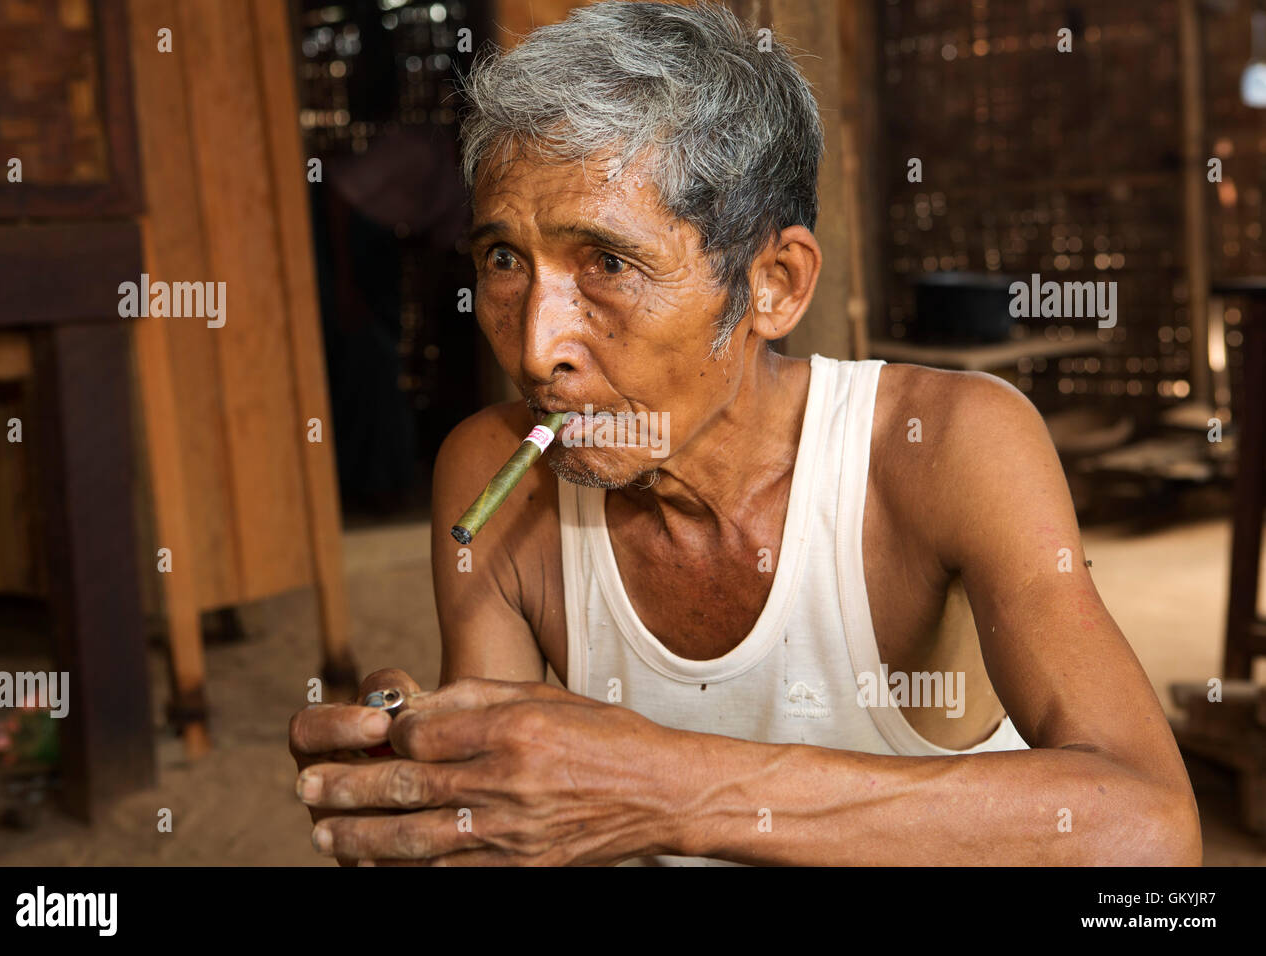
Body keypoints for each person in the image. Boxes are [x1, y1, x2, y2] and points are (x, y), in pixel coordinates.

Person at [289, 0, 1200, 866]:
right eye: (502, 261)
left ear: (774, 284)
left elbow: (1149, 832)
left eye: (607, 262)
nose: (536, 348)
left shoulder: (949, 447)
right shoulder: (494, 475)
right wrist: (428, 799)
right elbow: (524, 832)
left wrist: (667, 787)